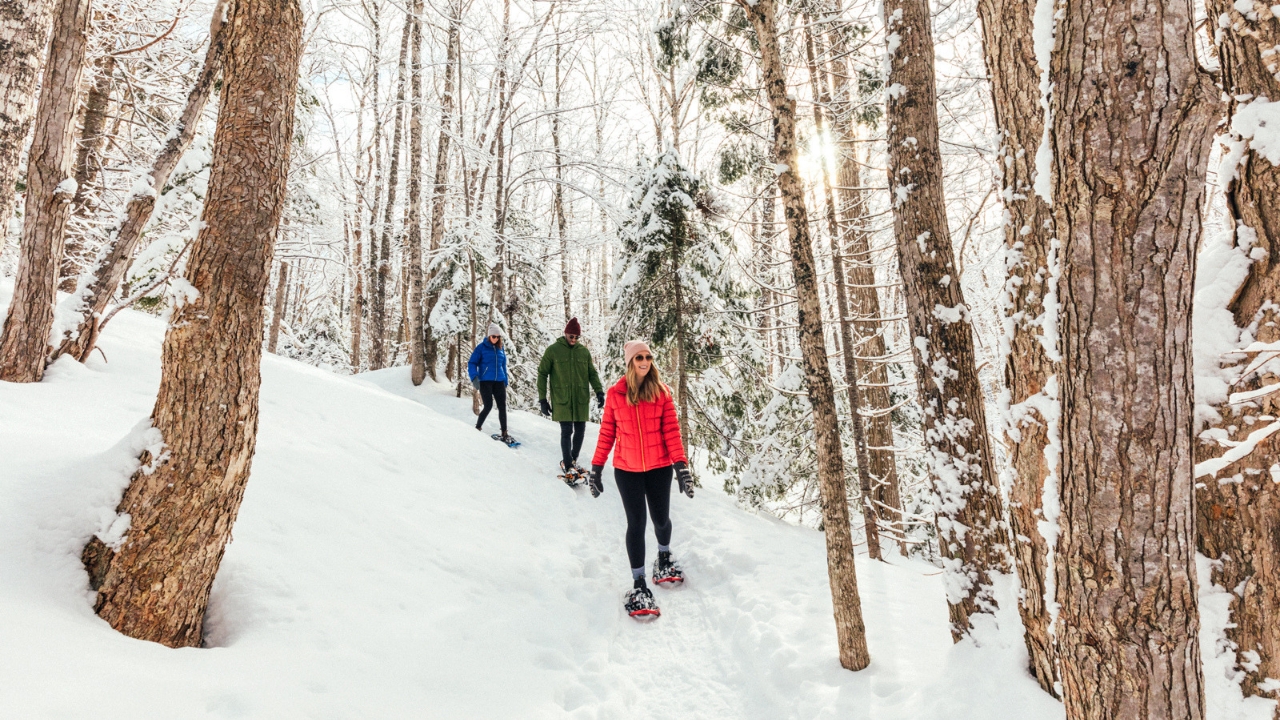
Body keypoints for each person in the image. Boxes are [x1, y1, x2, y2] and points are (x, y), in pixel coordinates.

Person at [587, 340, 695, 619]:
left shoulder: (662, 393)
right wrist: (596, 468)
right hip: (627, 471)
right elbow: (607, 434)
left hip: (659, 468)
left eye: (648, 357)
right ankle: (639, 584)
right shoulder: (615, 394)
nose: (644, 362)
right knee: (637, 523)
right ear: (630, 362)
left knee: (661, 519)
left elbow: (671, 432)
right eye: (639, 358)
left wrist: (681, 467)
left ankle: (664, 556)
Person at [536, 317, 604, 478]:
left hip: (580, 398)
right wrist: (542, 399)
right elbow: (542, 373)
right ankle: (567, 466)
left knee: (580, 430)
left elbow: (592, 373)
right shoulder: (553, 350)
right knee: (566, 430)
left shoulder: (584, 352)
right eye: (571, 336)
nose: (573, 339)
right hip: (562, 398)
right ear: (565, 334)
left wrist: (599, 391)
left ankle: (571, 461)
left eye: (576, 337)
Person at [469, 323, 511, 443]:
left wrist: (505, 380)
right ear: (489, 336)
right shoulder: (481, 348)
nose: (496, 339)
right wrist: (474, 378)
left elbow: (503, 365)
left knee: (502, 406)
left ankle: (504, 432)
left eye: (498, 337)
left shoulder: (500, 348)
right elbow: (472, 363)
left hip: (499, 381)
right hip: (485, 381)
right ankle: (477, 427)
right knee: (488, 406)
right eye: (494, 336)